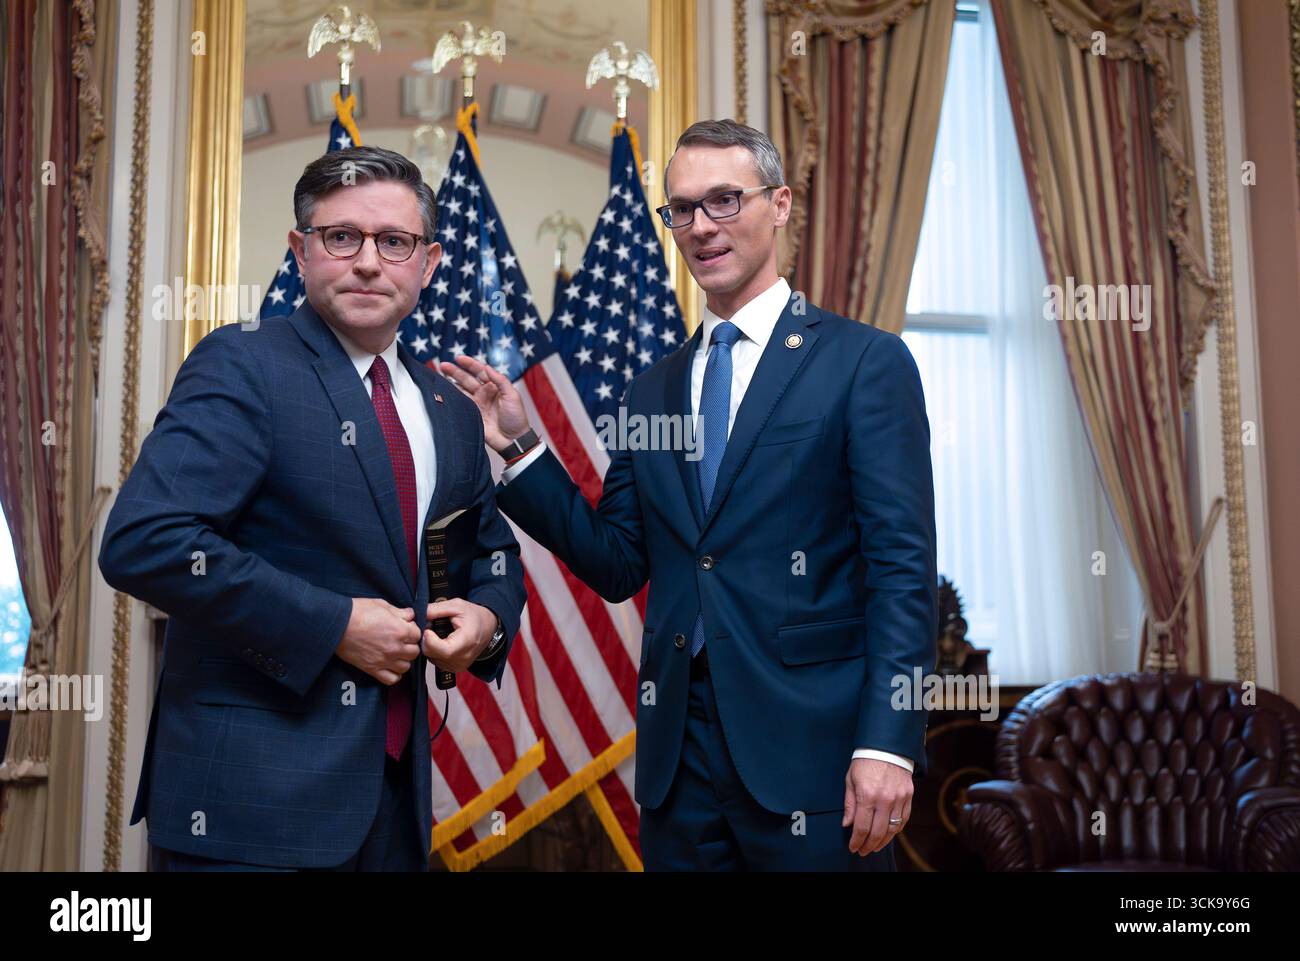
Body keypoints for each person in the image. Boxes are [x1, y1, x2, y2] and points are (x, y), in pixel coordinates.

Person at [441, 119, 937, 871]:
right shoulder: (657, 385)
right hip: (680, 763)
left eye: (724, 200)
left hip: (818, 756)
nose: (700, 225)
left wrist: (887, 743)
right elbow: (618, 561)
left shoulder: (864, 362)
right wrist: (518, 445)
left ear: (780, 203)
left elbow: (903, 570)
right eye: (681, 208)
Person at [99, 146, 526, 871]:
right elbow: (144, 540)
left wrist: (485, 622)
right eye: (342, 237)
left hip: (394, 805)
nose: (368, 262)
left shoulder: (450, 407)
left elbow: (492, 555)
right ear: (300, 250)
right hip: (247, 810)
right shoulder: (243, 363)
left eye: (394, 242)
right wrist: (333, 625)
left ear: (428, 263)